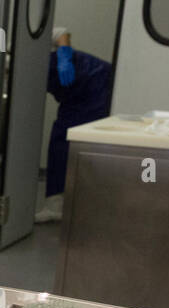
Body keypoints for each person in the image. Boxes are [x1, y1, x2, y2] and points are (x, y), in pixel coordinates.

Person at [39, 31, 113, 221]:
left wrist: (64, 58)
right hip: (72, 93)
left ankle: (90, 206)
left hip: (94, 78)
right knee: (60, 141)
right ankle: (57, 203)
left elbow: (61, 33)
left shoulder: (15, 32)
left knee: (84, 141)